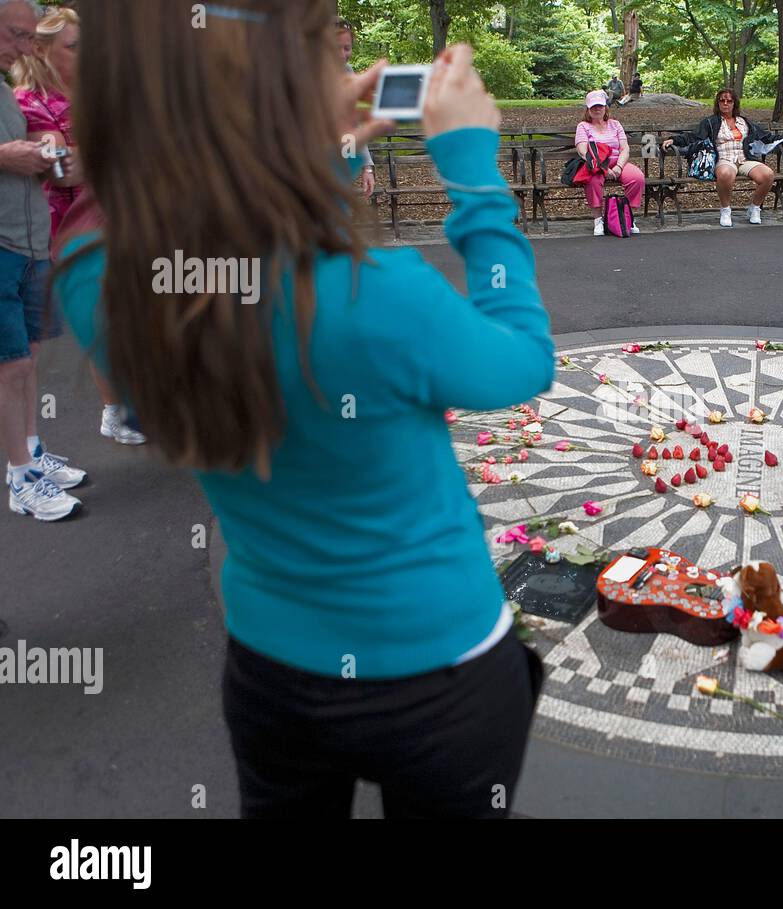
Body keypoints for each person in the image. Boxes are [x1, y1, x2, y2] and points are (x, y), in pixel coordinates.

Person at [56, 0, 550, 818]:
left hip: (273, 669)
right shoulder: (377, 298)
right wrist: (473, 172)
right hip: (442, 674)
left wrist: (323, 143)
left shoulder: (93, 275)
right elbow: (520, 362)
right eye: (323, 43)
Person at [13, 5, 144, 446]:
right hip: (71, 230)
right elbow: (65, 169)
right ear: (42, 50)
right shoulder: (29, 103)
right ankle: (114, 411)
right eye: (74, 47)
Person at [1, 0, 85, 522]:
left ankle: (31, 454)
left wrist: (38, 147)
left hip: (27, 240)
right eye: (16, 34)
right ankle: (19, 478)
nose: (24, 48)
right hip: (7, 243)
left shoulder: (6, 89)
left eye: (30, 37)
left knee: (26, 360)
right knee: (10, 366)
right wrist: (12, 154)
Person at [662, 87, 783, 227]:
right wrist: (674, 140)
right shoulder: (711, 122)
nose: (725, 103)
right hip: (724, 159)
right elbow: (693, 136)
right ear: (718, 103)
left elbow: (765, 136)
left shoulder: (744, 122)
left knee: (768, 175)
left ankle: (754, 207)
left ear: (734, 104)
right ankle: (726, 210)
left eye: (729, 101)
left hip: (745, 158)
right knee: (726, 174)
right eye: (722, 100)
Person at [575, 90, 642, 236]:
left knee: (636, 178)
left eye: (600, 105)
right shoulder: (583, 126)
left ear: (606, 107)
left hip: (617, 162)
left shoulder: (615, 124)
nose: (597, 109)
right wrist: (604, 169)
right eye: (593, 106)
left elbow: (624, 148)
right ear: (588, 109)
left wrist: (619, 166)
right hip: (596, 164)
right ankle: (598, 220)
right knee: (592, 181)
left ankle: (628, 218)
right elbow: (583, 151)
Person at [336, 18, 376, 200]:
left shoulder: (348, 73)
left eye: (347, 48)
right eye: (336, 48)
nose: (343, 55)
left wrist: (365, 167)